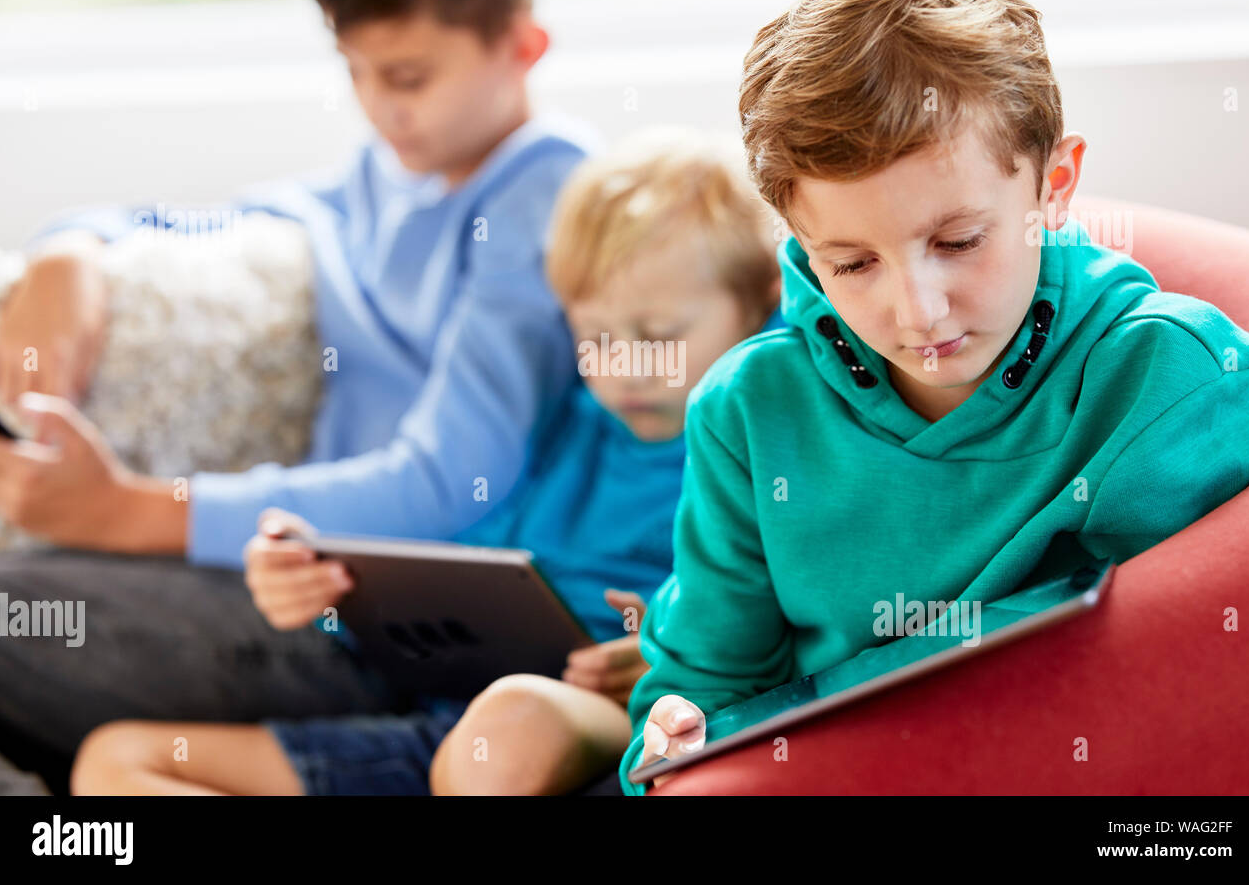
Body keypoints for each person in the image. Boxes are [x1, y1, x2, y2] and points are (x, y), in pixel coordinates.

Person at [620, 0, 1249, 795]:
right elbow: (699, 691)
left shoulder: (1162, 378)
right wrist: (675, 738)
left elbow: (1209, 671)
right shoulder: (749, 413)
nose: (918, 311)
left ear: (1054, 185)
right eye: (852, 264)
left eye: (958, 242)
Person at [0, 0, 596, 791]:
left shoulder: (553, 198)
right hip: (294, 593)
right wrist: (67, 250)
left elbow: (452, 483)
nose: (384, 109)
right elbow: (190, 218)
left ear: (522, 47)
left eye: (410, 77)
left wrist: (128, 512)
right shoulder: (377, 184)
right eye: (357, 72)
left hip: (397, 631)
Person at [68, 129, 784, 795]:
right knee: (114, 762)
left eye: (659, 333)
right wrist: (324, 589)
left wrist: (668, 648)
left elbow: (794, 622)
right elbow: (456, 568)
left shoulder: (766, 428)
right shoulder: (556, 421)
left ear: (759, 303)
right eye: (594, 334)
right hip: (444, 720)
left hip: (598, 719)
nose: (624, 364)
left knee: (513, 722)